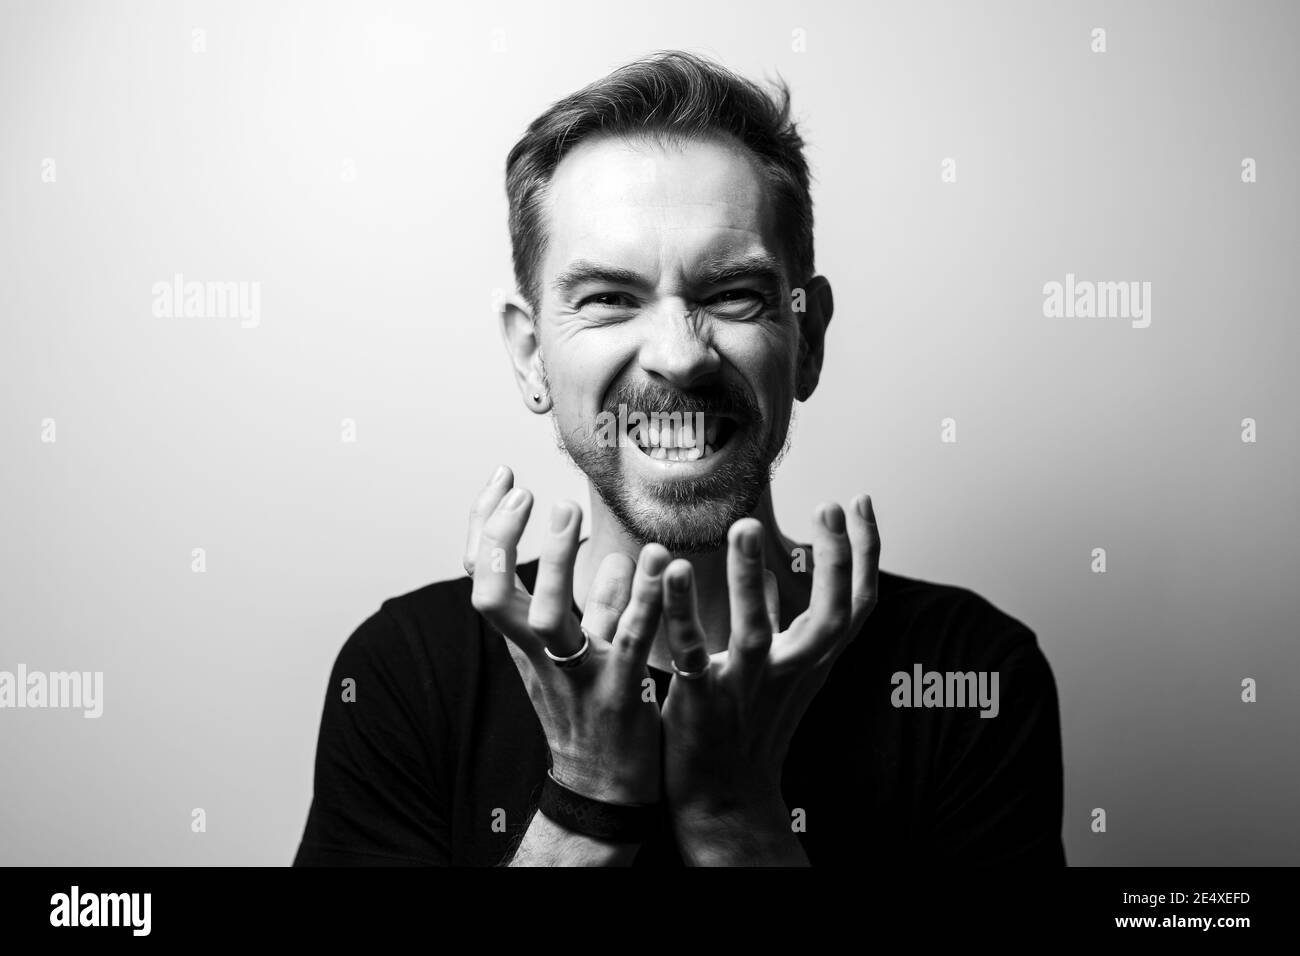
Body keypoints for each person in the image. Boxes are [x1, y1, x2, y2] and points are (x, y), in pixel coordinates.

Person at [293, 50, 1065, 867]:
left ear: (809, 340)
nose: (679, 355)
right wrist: (585, 800)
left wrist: (735, 820)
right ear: (530, 355)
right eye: (609, 300)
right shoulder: (405, 673)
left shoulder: (966, 675)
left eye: (732, 294)